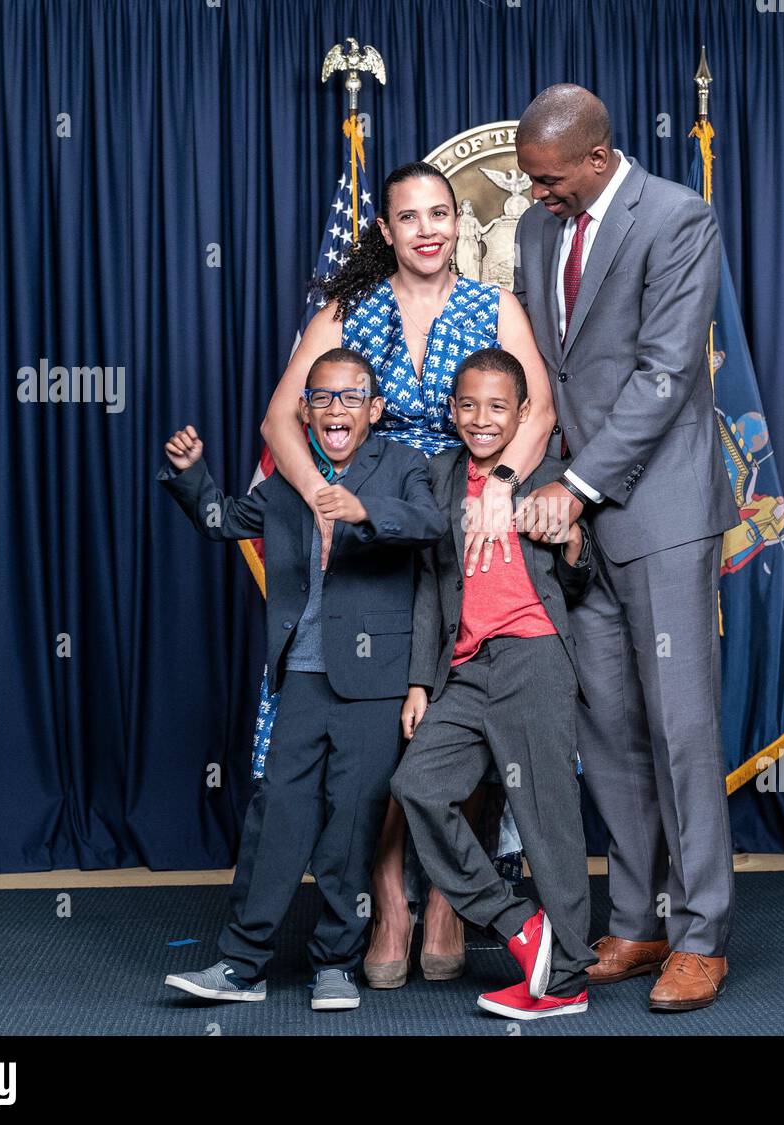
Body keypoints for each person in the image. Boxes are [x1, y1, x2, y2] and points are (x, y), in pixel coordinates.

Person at [258, 162, 557, 987]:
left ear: (458, 221)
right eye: (408, 217)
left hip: (467, 518)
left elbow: (541, 410)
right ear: (384, 230)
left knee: (466, 702)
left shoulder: (494, 306)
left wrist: (499, 487)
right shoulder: (351, 311)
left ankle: (449, 899)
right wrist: (320, 491)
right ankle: (388, 896)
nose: (426, 229)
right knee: (387, 714)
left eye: (440, 213)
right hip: (377, 524)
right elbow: (281, 414)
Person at [512, 84, 739, 1012]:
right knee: (607, 734)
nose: (537, 197)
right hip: (575, 526)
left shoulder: (680, 219)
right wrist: (542, 486)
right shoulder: (535, 233)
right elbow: (548, 369)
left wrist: (574, 483)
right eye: (530, 182)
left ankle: (702, 934)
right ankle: (639, 922)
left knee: (680, 731)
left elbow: (664, 371)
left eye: (551, 180)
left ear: (599, 158)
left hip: (660, 512)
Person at [160, 349, 446, 1011]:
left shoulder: (401, 467)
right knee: (277, 817)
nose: (336, 408)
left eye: (352, 397)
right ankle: (241, 963)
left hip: (375, 681)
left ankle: (336, 964)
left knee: (353, 822)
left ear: (375, 410)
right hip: (305, 677)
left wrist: (366, 512)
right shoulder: (288, 482)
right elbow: (224, 522)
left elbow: (431, 525)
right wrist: (189, 475)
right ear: (306, 410)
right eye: (323, 397)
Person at [391, 348, 596, 1020]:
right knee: (417, 786)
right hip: (465, 670)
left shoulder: (549, 472)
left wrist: (569, 541)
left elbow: (577, 577)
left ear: (522, 412)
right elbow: (429, 584)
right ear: (452, 411)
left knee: (546, 817)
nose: (482, 419)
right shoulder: (441, 474)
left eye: (498, 406)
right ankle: (519, 923)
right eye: (469, 405)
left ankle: (565, 980)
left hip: (535, 656)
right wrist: (422, 681)